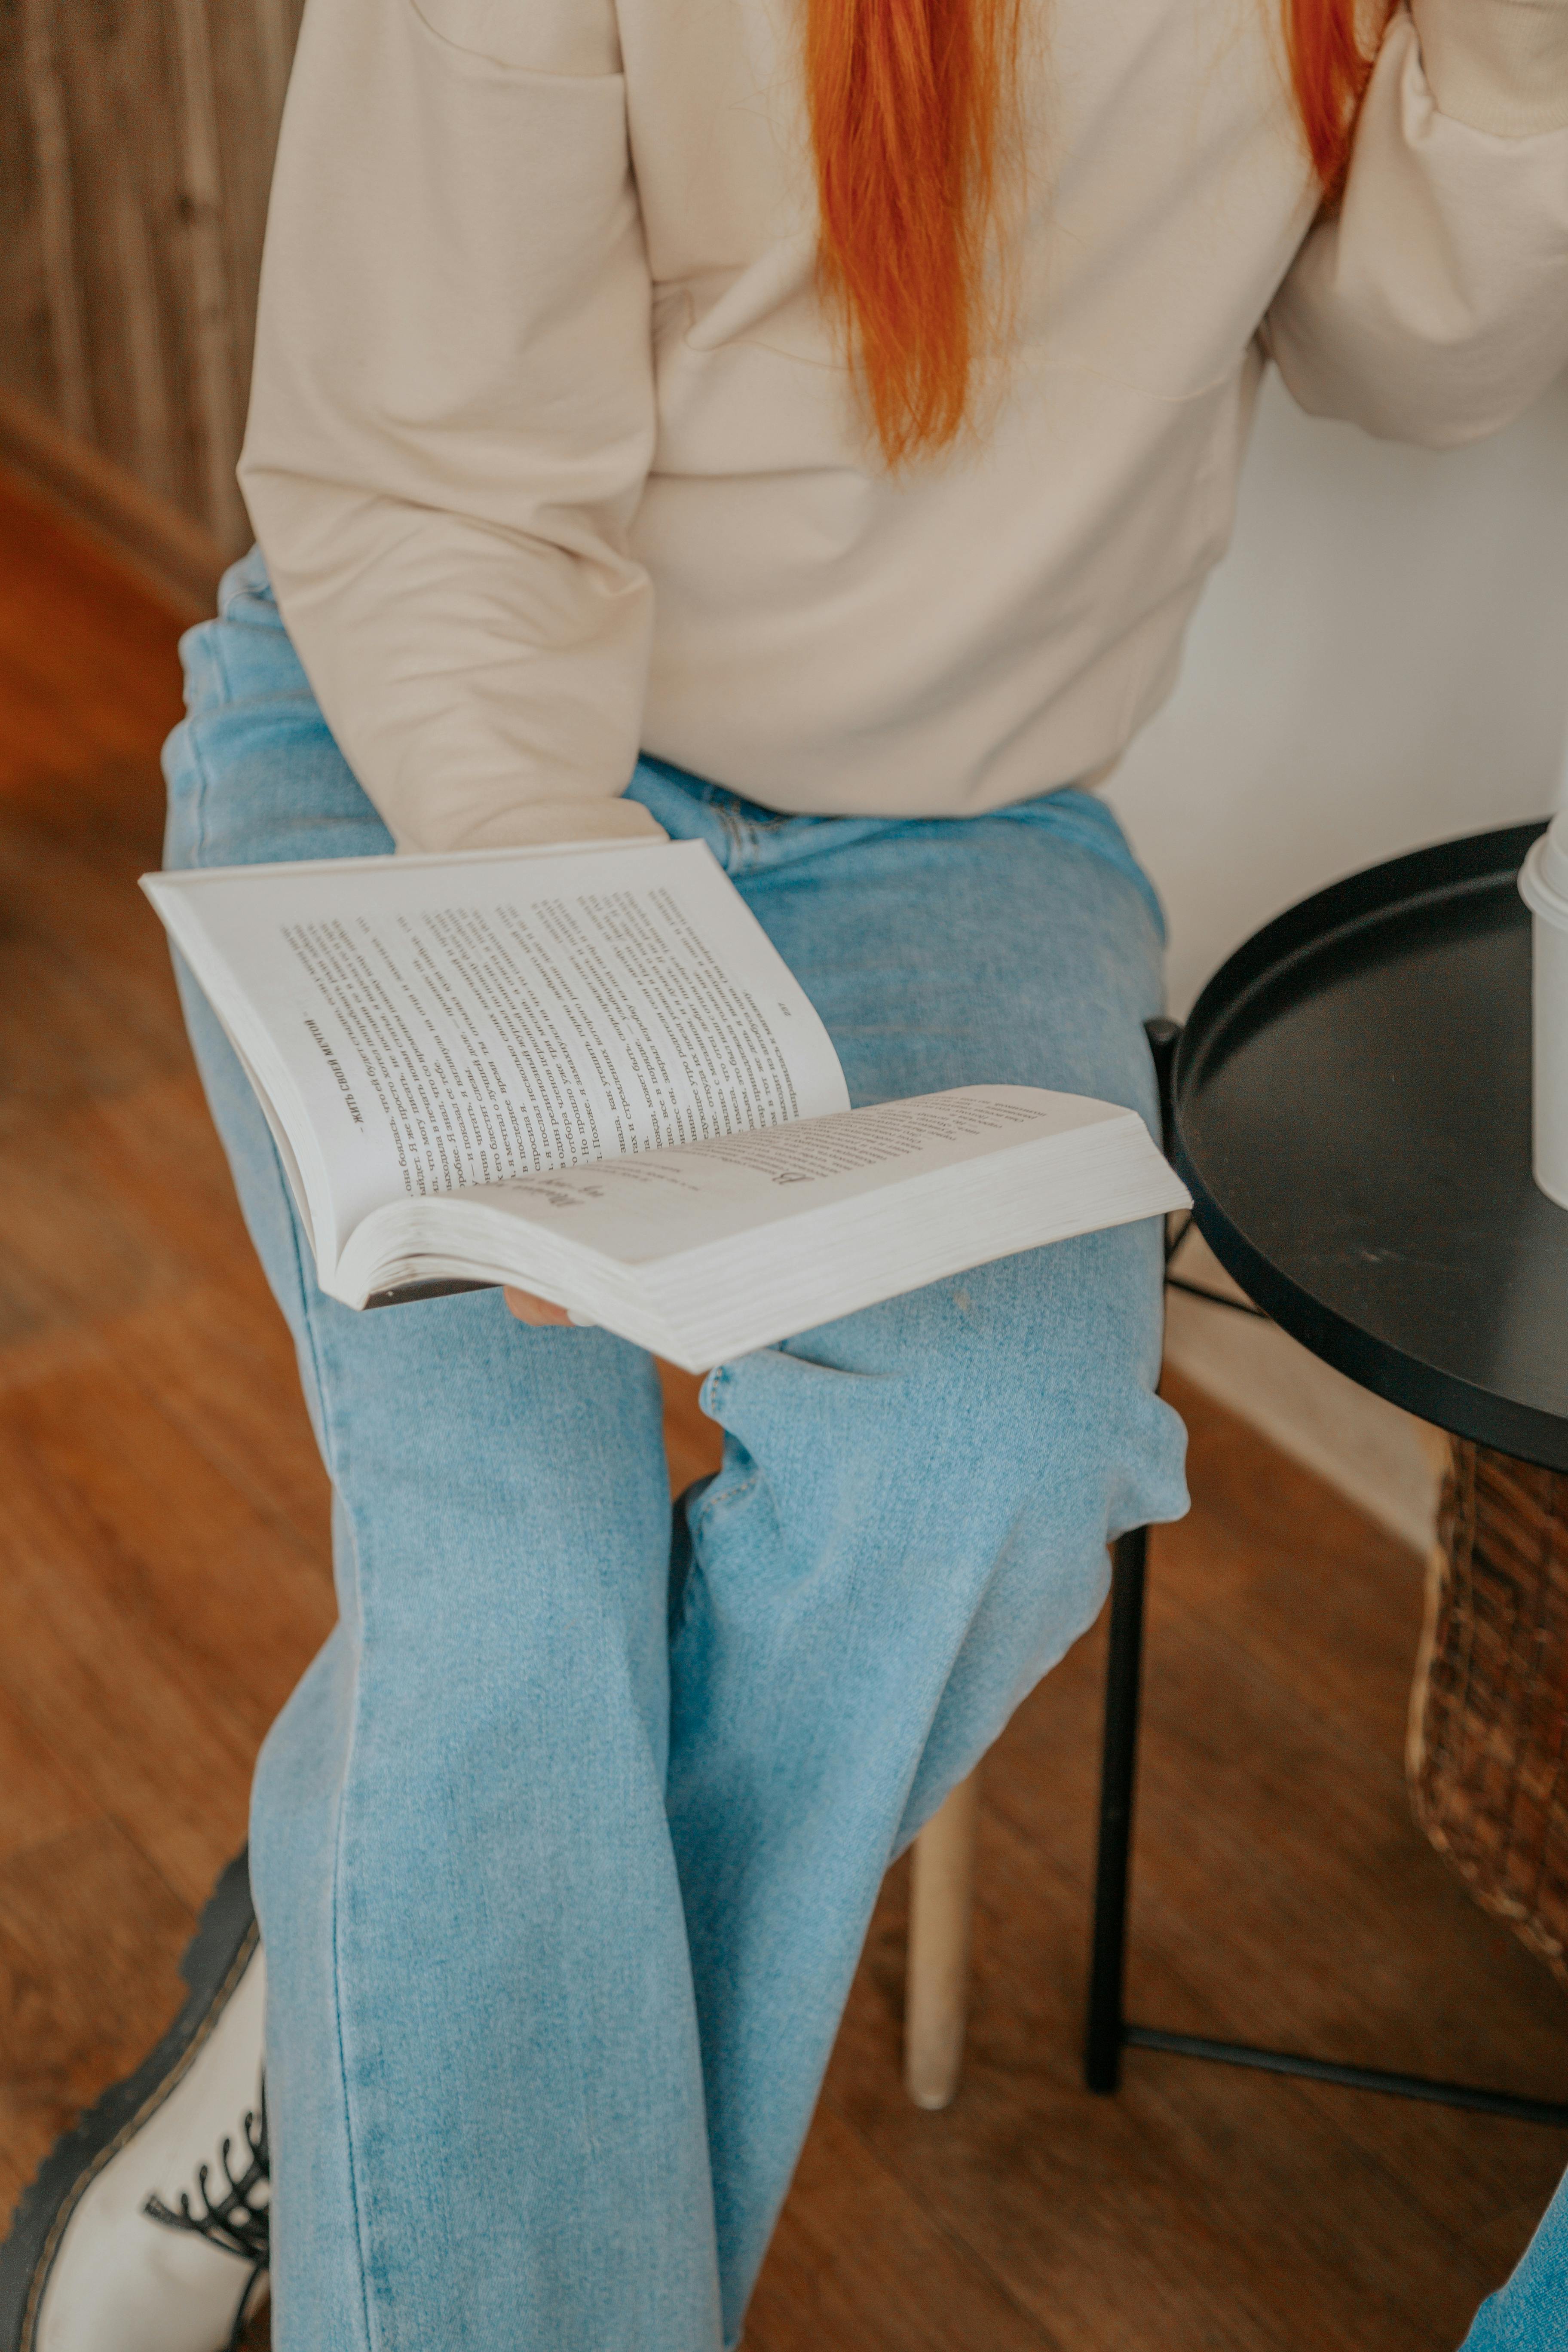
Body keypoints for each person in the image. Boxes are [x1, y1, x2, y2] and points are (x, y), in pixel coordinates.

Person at [4, 0, 1566, 2346]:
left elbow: (1415, 357)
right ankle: (400, 2001)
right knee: (509, 1595)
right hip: (436, 770)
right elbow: (430, 483)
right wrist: (552, 970)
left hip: (965, 840)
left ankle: (349, 2003)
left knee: (996, 1458)